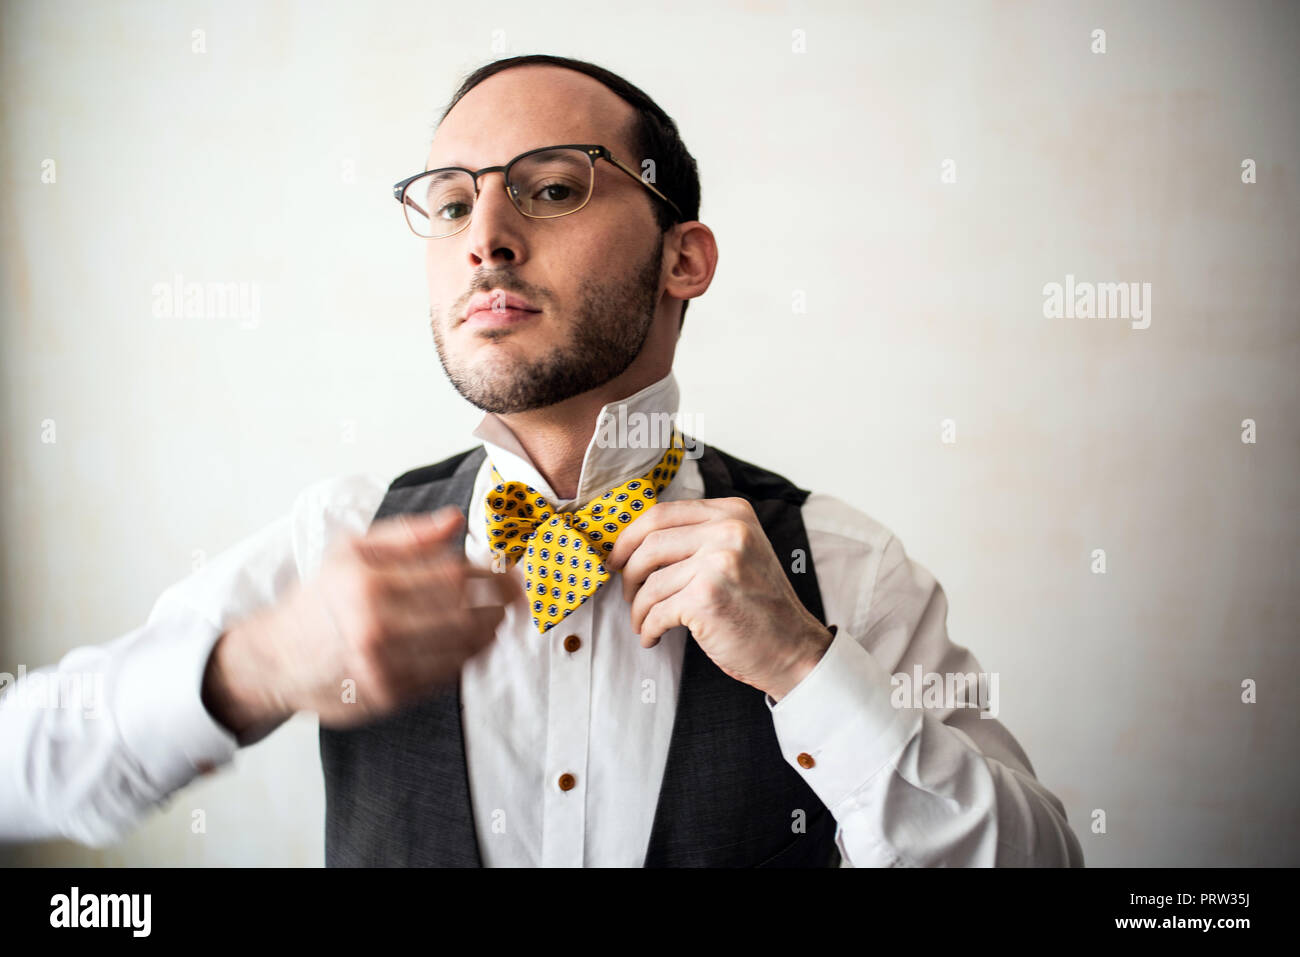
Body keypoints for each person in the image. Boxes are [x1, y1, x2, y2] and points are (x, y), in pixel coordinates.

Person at [0, 54, 1083, 867]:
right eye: (453, 201)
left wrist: (808, 671)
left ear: (683, 258)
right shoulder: (334, 547)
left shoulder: (845, 571)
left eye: (552, 188)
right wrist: (256, 665)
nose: (486, 237)